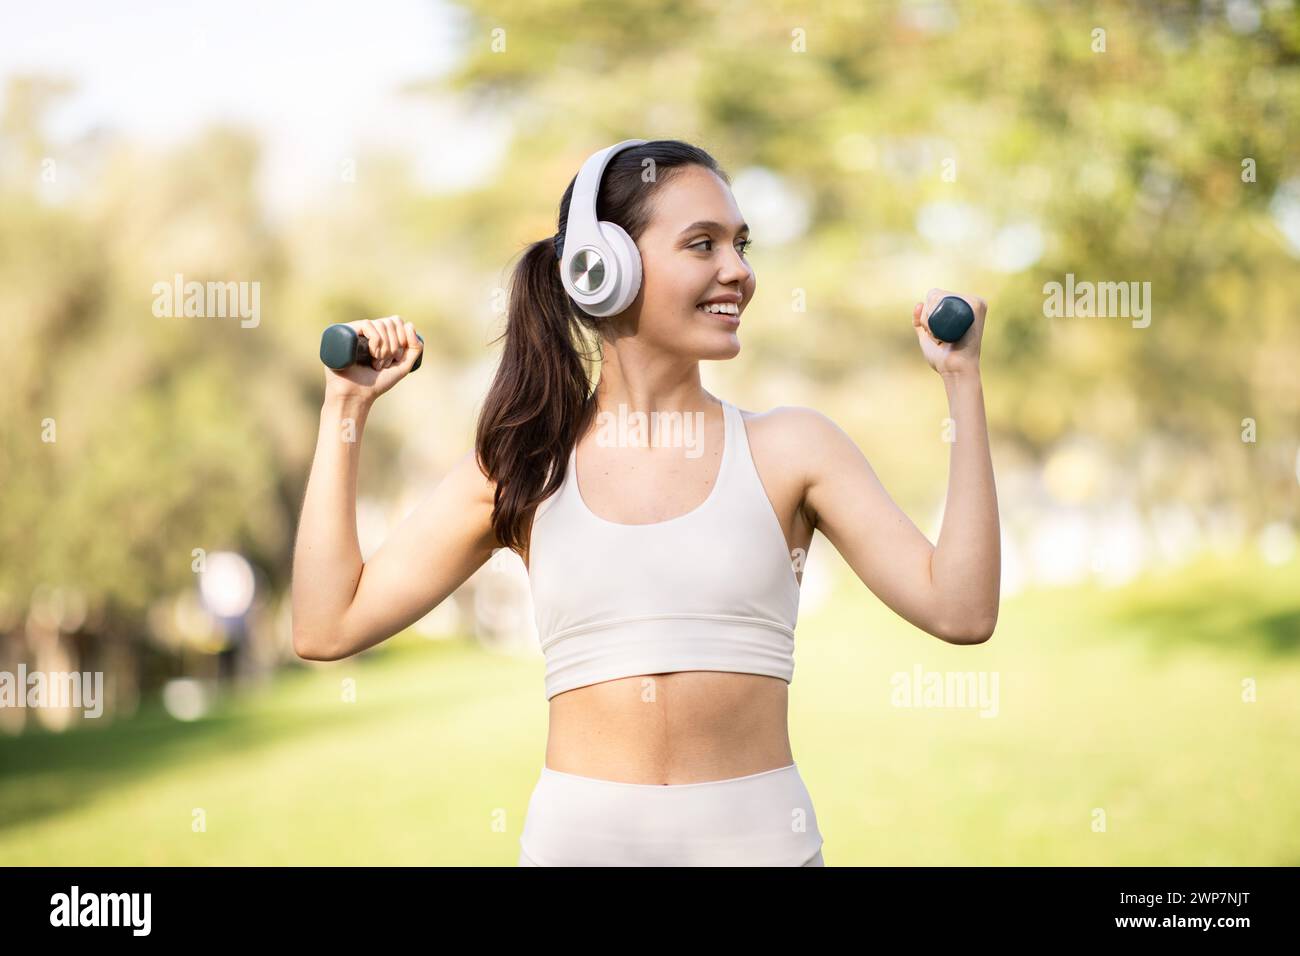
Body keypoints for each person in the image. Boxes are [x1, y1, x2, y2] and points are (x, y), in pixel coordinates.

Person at [290, 139, 1001, 867]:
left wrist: (962, 382)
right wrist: (344, 408)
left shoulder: (794, 449)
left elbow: (962, 610)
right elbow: (326, 625)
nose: (740, 272)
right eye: (703, 244)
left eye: (740, 245)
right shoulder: (523, 467)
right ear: (603, 270)